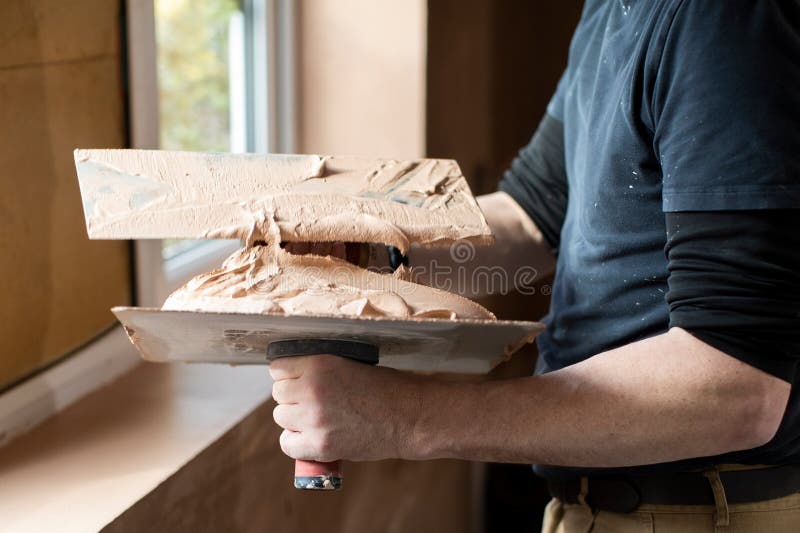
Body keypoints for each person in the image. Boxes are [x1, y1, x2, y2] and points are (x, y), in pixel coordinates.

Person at [270, 1, 800, 530]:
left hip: (705, 510)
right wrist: (365, 254)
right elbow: (534, 213)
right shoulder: (613, 10)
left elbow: (736, 385)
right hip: (603, 502)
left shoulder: (719, 21)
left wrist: (403, 417)